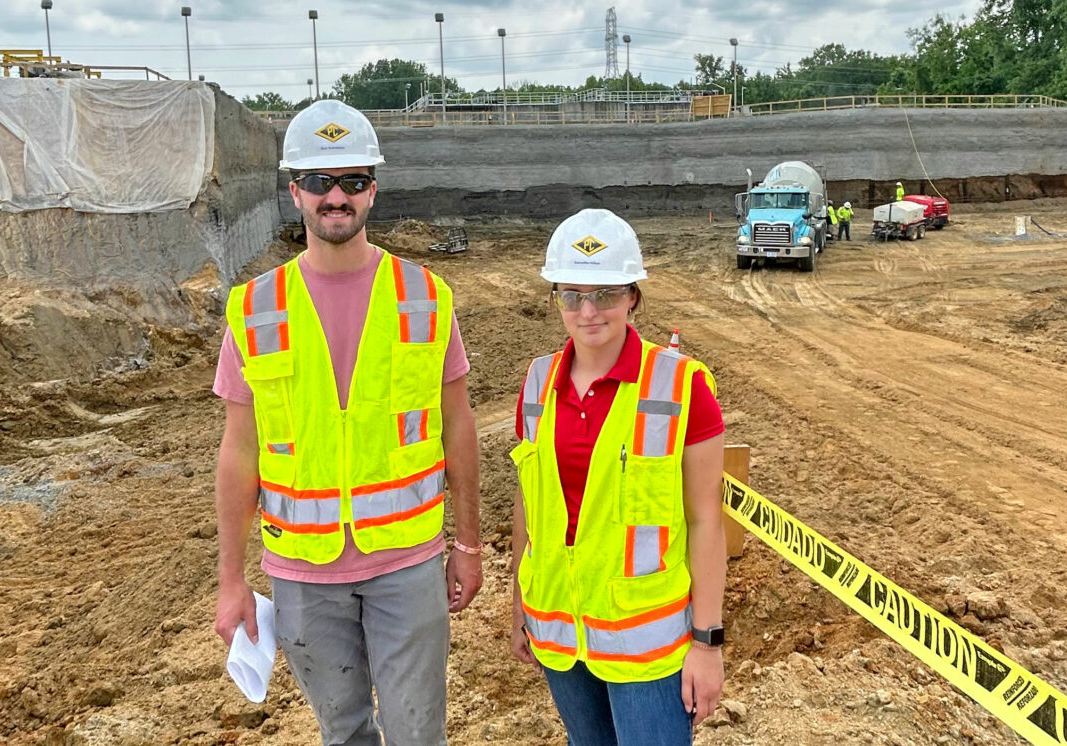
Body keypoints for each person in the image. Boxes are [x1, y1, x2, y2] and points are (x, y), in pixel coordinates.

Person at [213, 99, 482, 746]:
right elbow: (238, 453)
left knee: (419, 735)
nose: (336, 196)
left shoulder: (424, 295)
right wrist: (230, 581)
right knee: (345, 733)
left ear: (373, 190)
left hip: (407, 563)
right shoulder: (254, 309)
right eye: (319, 182)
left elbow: (459, 427)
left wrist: (468, 545)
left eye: (353, 181)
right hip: (302, 573)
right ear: (295, 192)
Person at [509, 209, 727, 746]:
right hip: (559, 631)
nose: (588, 311)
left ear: (632, 295)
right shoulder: (538, 382)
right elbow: (528, 505)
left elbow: (705, 521)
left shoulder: (681, 387)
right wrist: (519, 604)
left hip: (647, 647)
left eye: (605, 293)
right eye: (571, 295)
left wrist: (707, 643)